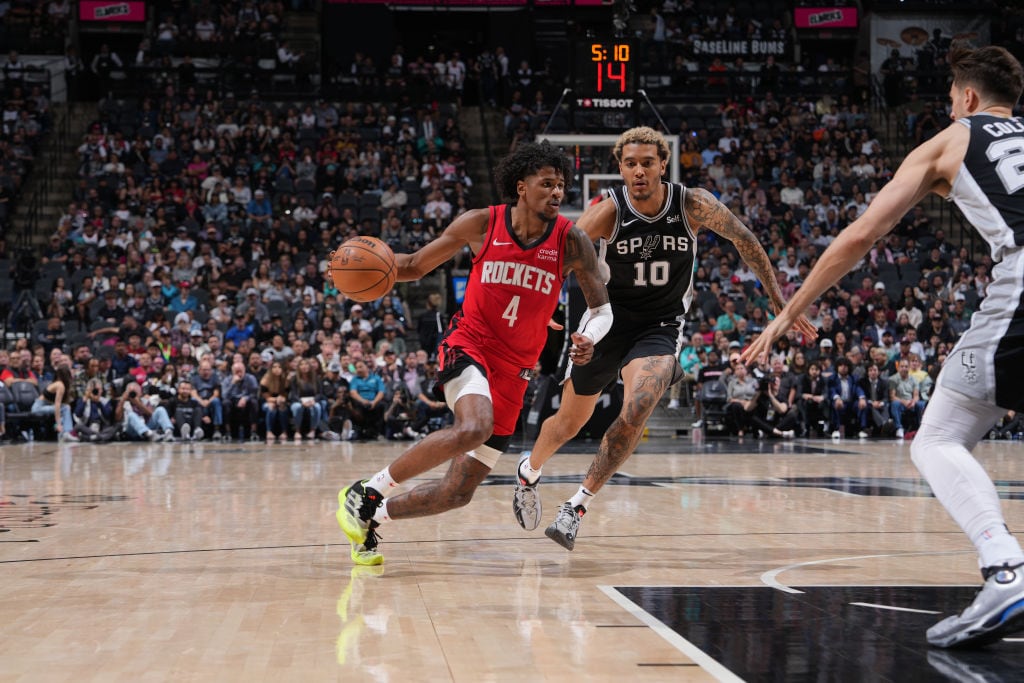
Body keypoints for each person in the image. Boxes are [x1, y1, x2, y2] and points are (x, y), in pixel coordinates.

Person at [742, 44, 1024, 648]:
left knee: (938, 438)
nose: (950, 108)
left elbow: (862, 234)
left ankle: (1005, 569)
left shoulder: (950, 142)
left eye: (951, 99)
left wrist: (788, 311)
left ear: (968, 97)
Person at [508, 127, 815, 549]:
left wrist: (779, 299)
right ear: (620, 168)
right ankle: (529, 471)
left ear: (663, 165)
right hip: (607, 321)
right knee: (568, 423)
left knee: (638, 405)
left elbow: (744, 239)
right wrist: (540, 312)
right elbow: (558, 259)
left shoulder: (692, 204)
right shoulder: (607, 211)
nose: (639, 171)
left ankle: (576, 506)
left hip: (661, 325)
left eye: (647, 163)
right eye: (631, 164)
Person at [336, 140, 611, 566]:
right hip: (469, 344)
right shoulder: (482, 223)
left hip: (516, 372)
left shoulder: (571, 241)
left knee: (457, 493)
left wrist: (589, 336)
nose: (557, 192)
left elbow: (601, 309)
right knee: (474, 427)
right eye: (547, 183)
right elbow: (413, 266)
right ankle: (367, 492)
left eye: (561, 185)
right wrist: (358, 271)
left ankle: (373, 517)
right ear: (521, 187)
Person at [31, 365, 77, 442]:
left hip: (45, 406)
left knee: (65, 407)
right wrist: (58, 424)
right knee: (65, 408)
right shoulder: (60, 385)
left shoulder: (60, 384)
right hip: (37, 408)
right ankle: (67, 432)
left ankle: (64, 432)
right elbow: (57, 405)